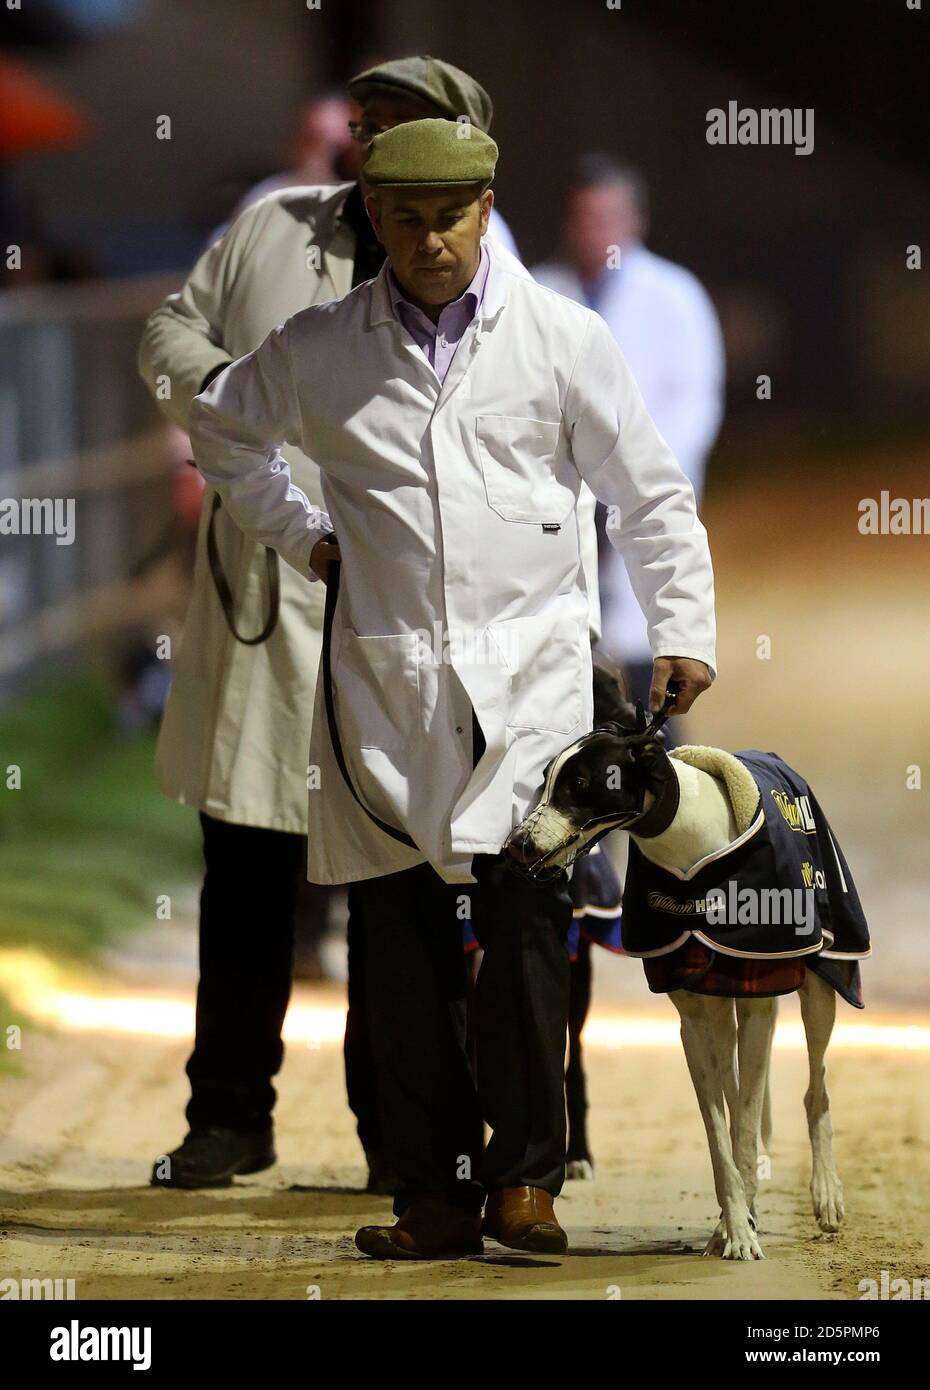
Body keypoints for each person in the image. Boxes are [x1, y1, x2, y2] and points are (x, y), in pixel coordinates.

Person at [187, 119, 717, 1259]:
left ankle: (526, 1182)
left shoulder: (563, 341)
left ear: (487, 207)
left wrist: (684, 629)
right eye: (407, 219)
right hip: (387, 692)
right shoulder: (320, 347)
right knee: (404, 950)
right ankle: (431, 1194)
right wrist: (304, 536)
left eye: (452, 216)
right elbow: (223, 432)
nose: (431, 242)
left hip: (531, 691)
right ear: (373, 217)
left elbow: (651, 493)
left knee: (530, 935)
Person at [138, 56, 602, 1193]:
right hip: (267, 595)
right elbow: (169, 336)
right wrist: (247, 402)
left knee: (402, 892)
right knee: (245, 874)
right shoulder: (268, 231)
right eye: (367, 122)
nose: (372, 140)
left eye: (404, 126)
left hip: (398, 621)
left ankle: (404, 1138)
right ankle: (229, 1114)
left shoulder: (496, 282)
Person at [533, 155, 724, 730]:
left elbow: (695, 402)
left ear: (634, 221)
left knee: (650, 682)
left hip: (637, 500)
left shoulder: (675, 294)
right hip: (561, 508)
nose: (596, 232)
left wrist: (634, 484)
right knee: (573, 676)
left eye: (608, 217)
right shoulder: (541, 291)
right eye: (584, 218)